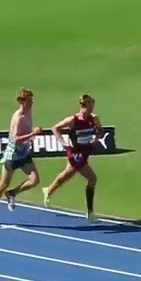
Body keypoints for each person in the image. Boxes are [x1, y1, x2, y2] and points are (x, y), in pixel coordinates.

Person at [41, 94, 104, 222]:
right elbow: (55, 128)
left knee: (68, 174)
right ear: (85, 105)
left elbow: (100, 130)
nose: (92, 108)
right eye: (90, 105)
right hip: (75, 152)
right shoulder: (73, 120)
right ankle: (90, 212)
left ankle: (48, 190)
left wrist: (96, 139)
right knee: (92, 178)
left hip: (85, 151)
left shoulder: (94, 118)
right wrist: (63, 143)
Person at [0, 88, 42, 226]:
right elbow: (16, 138)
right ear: (22, 102)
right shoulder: (18, 118)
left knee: (34, 180)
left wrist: (32, 132)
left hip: (24, 153)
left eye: (32, 100)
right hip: (13, 155)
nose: (32, 103)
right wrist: (32, 134)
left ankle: (12, 193)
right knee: (3, 184)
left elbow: (25, 131)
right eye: (29, 101)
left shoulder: (28, 113)